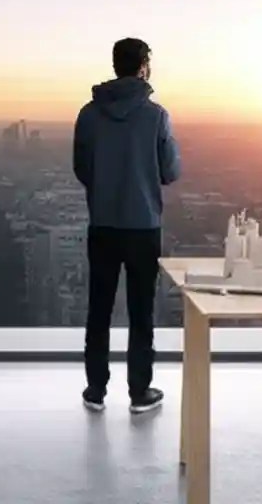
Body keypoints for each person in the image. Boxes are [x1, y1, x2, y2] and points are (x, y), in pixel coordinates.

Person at [72, 37, 181, 413]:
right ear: (144, 67)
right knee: (141, 311)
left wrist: (105, 187)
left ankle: (95, 390)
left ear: (115, 65)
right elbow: (170, 171)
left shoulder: (89, 114)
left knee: (98, 309)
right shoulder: (156, 116)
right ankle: (139, 391)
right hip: (143, 226)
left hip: (103, 223)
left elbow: (81, 168)